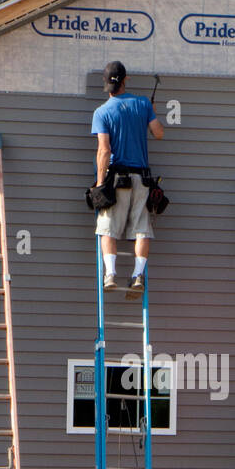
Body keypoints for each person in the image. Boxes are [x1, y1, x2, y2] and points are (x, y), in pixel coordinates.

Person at [91, 61, 164, 299]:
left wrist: (100, 183)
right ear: (126, 80)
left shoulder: (102, 112)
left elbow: (103, 150)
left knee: (107, 229)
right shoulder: (143, 104)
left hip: (117, 179)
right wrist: (149, 111)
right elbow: (159, 133)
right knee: (142, 229)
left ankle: (110, 274)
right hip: (142, 179)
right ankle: (138, 276)